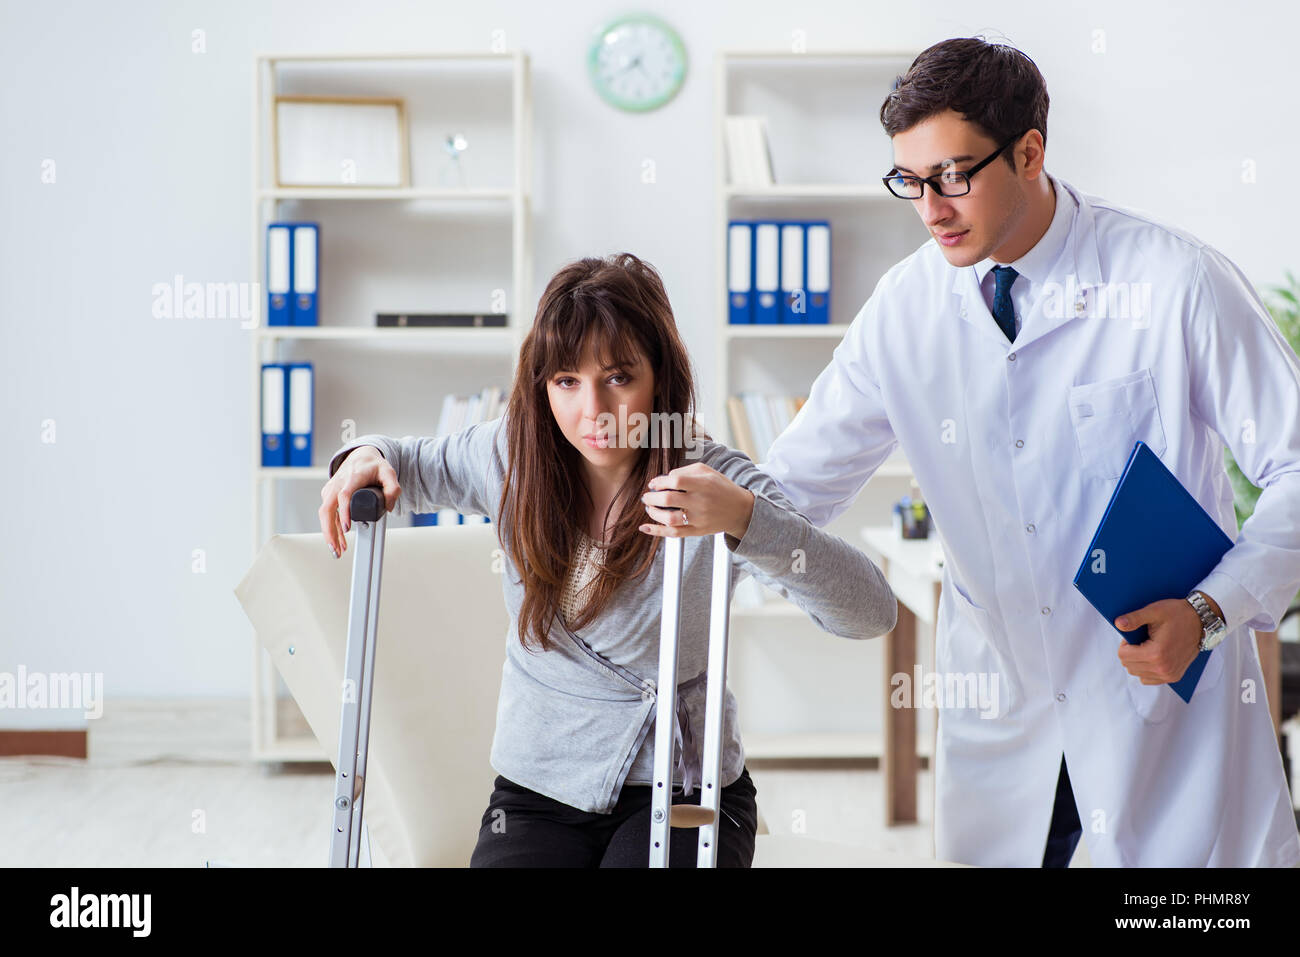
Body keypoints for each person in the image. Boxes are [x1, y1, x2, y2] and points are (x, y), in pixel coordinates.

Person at [760, 36, 1300, 868]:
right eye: (910, 180)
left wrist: (1209, 611)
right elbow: (790, 490)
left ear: (1031, 152)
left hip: (1161, 710)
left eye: (954, 175)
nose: (931, 206)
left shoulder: (1172, 281)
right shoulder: (906, 308)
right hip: (1003, 714)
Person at [319, 252, 898, 867]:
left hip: (681, 788)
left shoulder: (714, 479)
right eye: (567, 381)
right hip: (538, 786)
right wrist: (362, 454)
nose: (592, 410)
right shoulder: (511, 454)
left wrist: (747, 521)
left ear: (660, 377)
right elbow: (402, 458)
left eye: (618, 377)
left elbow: (870, 612)